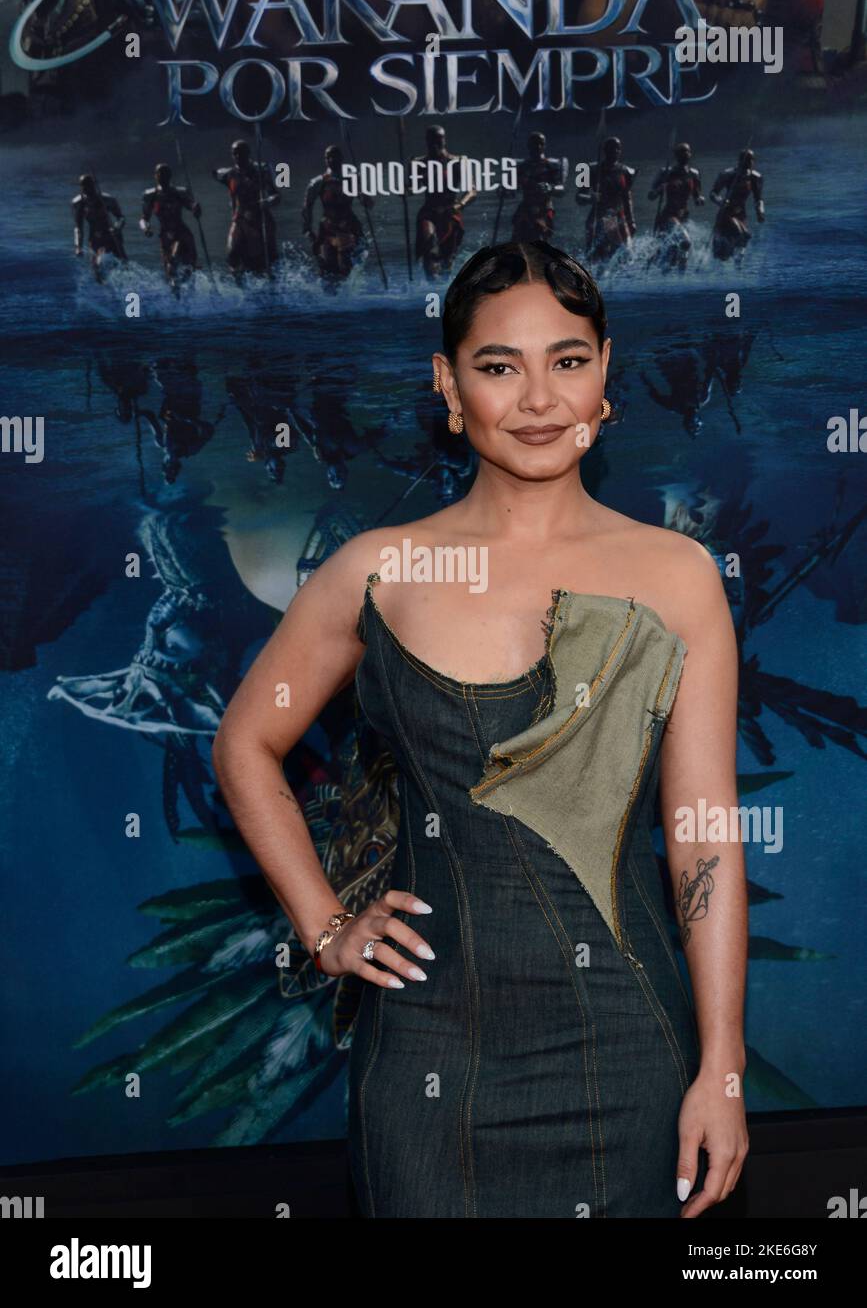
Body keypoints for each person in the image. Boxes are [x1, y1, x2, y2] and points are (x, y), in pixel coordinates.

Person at [211, 240, 748, 1219]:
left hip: (629, 1057)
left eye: (569, 360)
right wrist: (326, 926)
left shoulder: (679, 578)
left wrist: (722, 1070)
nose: (540, 398)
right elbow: (245, 744)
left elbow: (705, 836)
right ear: (448, 384)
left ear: (605, 376)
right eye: (500, 366)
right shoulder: (379, 570)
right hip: (430, 1055)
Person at [412, 125, 477, 280]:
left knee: (447, 260)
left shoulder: (459, 162)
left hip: (450, 212)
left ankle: (443, 293)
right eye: (431, 140)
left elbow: (472, 191)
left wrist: (460, 204)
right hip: (429, 212)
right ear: (427, 142)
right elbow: (413, 186)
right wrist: (405, 190)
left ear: (444, 140)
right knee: (429, 246)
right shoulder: (419, 163)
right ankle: (430, 290)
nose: (434, 144)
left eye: (438, 140)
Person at [302, 145, 369, 283]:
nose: (331, 159)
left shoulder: (352, 179)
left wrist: (363, 194)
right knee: (327, 269)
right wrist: (308, 229)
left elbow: (368, 203)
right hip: (328, 227)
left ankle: (347, 295)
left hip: (348, 225)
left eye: (334, 156)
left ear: (341, 158)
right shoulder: (318, 182)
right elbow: (307, 206)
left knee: (346, 265)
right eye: (327, 157)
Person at [212, 138, 279, 277]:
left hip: (260, 218)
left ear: (248, 153)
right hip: (239, 219)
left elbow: (276, 196)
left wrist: (268, 201)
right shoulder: (229, 174)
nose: (237, 156)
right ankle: (239, 288)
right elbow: (214, 172)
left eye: (241, 153)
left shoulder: (261, 170)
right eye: (234, 153)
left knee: (266, 260)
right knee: (232, 255)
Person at [139, 163, 200, 286]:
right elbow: (144, 218)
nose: (163, 176)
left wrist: (195, 208)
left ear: (170, 176)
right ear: (155, 176)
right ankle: (176, 294)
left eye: (165, 174)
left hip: (181, 233)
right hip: (165, 236)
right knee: (170, 272)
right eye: (160, 174)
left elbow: (190, 206)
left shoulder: (179, 192)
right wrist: (146, 228)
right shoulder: (150, 195)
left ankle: (189, 278)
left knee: (179, 260)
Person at [578, 136, 637, 262]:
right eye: (611, 148)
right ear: (605, 150)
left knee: (627, 255)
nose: (614, 151)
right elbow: (578, 197)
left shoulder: (626, 171)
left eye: (617, 148)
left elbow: (627, 197)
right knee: (596, 256)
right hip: (599, 215)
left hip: (619, 216)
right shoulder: (589, 169)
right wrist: (590, 198)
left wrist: (631, 220)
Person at [648, 142, 705, 272]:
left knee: (673, 253)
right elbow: (650, 196)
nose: (685, 154)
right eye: (681, 152)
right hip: (668, 216)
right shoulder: (666, 172)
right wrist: (660, 189)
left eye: (687, 151)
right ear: (676, 156)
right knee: (686, 242)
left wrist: (700, 199)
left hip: (683, 216)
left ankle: (678, 282)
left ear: (690, 154)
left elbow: (697, 196)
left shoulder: (694, 174)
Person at [510, 132, 567, 244]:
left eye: (541, 143)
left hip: (544, 209)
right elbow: (513, 188)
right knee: (516, 241)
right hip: (525, 208)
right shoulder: (521, 166)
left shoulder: (552, 165)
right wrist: (505, 190)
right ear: (529, 146)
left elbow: (562, 189)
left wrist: (550, 188)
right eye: (535, 143)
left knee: (539, 238)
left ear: (544, 145)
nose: (538, 146)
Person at [710, 148, 765, 261]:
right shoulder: (728, 174)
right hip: (726, 213)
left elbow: (758, 199)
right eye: (746, 159)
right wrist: (720, 201)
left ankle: (737, 266)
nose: (748, 162)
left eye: (751, 160)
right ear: (740, 161)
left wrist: (760, 212)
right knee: (742, 235)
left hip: (740, 214)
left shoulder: (755, 177)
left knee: (741, 241)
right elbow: (713, 193)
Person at [72, 173, 126, 278]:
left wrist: (117, 227)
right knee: (96, 267)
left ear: (94, 185)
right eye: (84, 185)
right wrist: (78, 246)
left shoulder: (108, 200)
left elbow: (121, 218)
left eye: (89, 184)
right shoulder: (78, 203)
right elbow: (78, 227)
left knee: (123, 263)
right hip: (95, 237)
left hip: (112, 235)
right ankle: (102, 286)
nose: (87, 188)